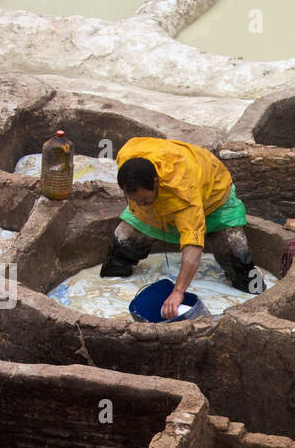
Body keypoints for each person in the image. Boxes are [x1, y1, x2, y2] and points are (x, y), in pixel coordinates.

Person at [101, 137, 261, 320]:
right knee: (123, 244)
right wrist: (141, 204)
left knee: (236, 255)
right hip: (172, 187)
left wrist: (178, 292)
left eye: (144, 200)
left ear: (155, 182)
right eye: (134, 200)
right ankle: (113, 274)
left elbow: (192, 248)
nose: (140, 204)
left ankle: (255, 299)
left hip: (213, 198)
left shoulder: (184, 193)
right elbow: (140, 196)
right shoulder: (126, 156)